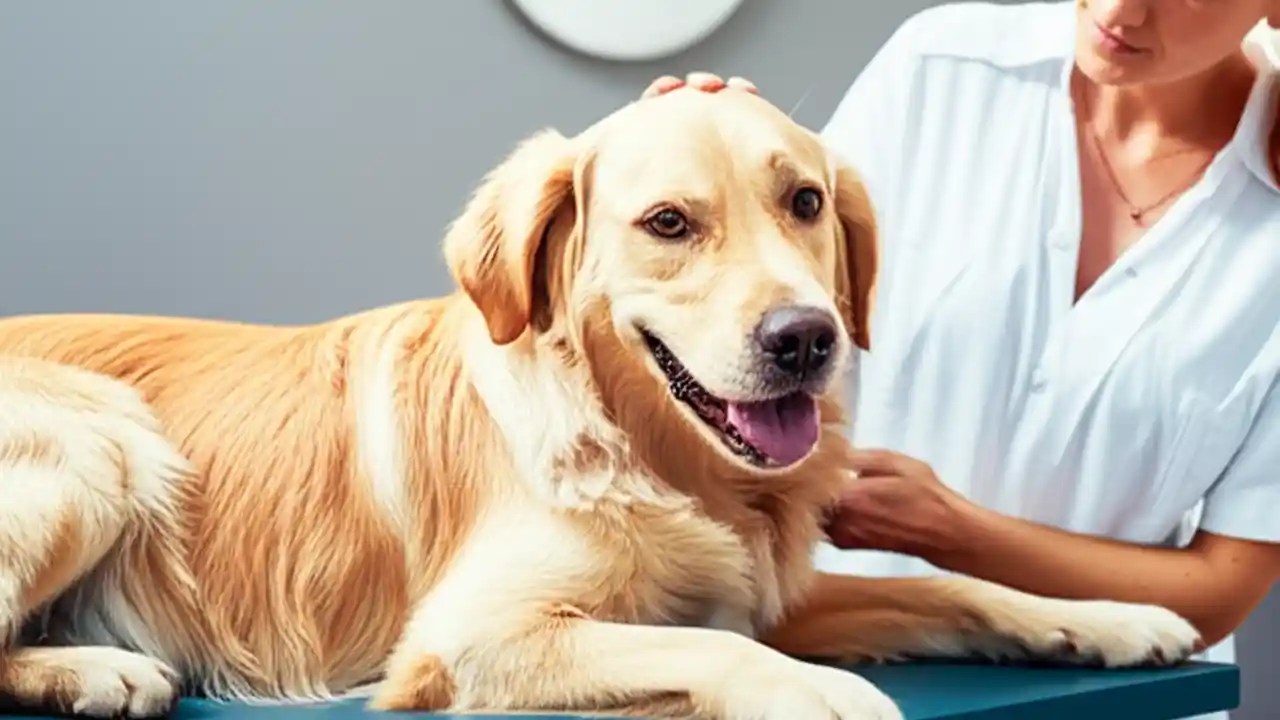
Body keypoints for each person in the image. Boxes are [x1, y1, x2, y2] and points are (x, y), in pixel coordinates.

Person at [642, 2, 1280, 718]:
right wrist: (706, 154)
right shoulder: (939, 71)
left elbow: (1221, 588)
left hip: (1119, 700)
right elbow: (777, 301)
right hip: (856, 679)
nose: (1120, 10)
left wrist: (949, 529)